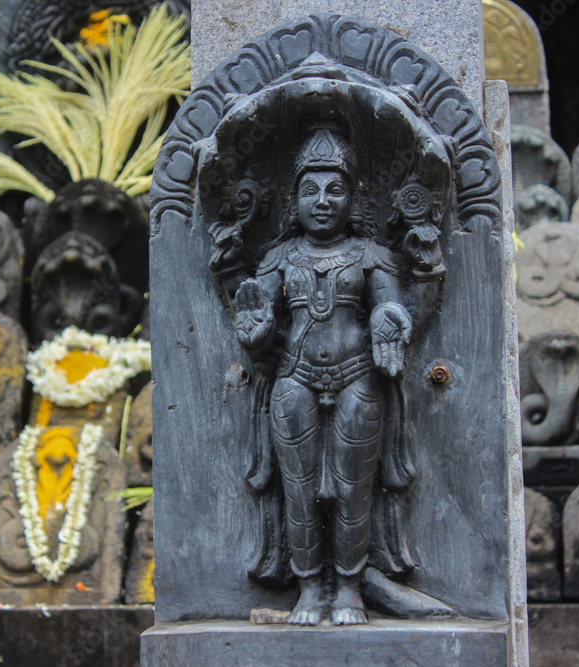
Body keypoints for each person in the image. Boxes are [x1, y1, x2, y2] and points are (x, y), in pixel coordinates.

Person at [234, 126, 413, 626]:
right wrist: (256, 334)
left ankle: (351, 590)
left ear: (353, 196)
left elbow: (393, 307)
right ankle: (310, 589)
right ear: (294, 199)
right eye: (311, 189)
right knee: (300, 490)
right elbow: (259, 320)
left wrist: (388, 320)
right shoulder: (280, 257)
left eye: (335, 188)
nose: (322, 200)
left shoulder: (371, 255)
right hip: (294, 378)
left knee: (356, 490)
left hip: (359, 377)